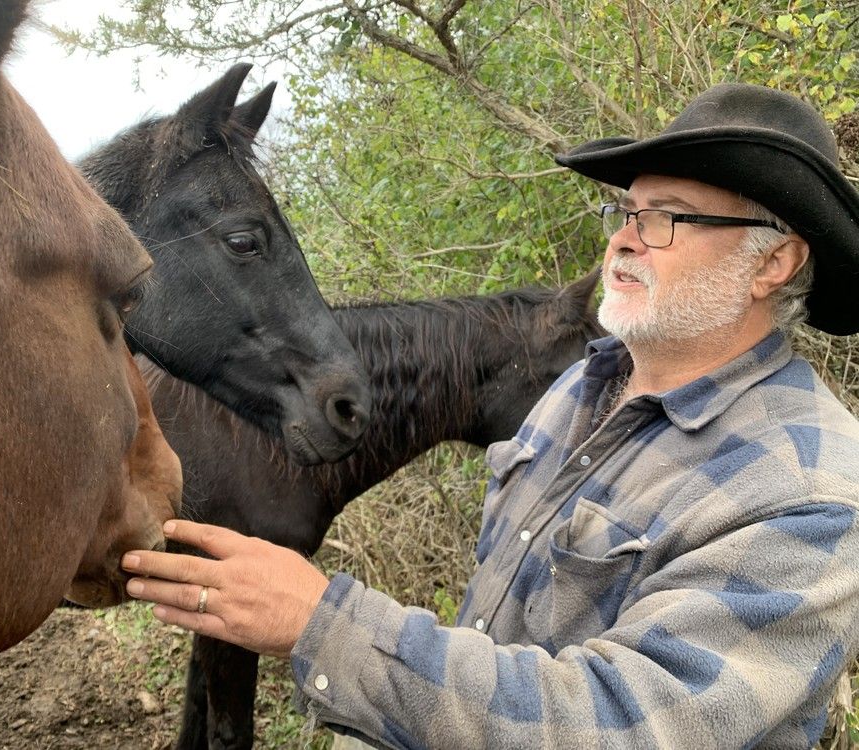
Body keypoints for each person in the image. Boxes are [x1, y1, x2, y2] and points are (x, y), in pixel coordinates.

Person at [121, 83, 859, 748]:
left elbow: (623, 726)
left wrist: (323, 622)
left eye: (666, 217)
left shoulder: (808, 494)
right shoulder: (579, 392)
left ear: (775, 264)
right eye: (625, 210)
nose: (623, 239)